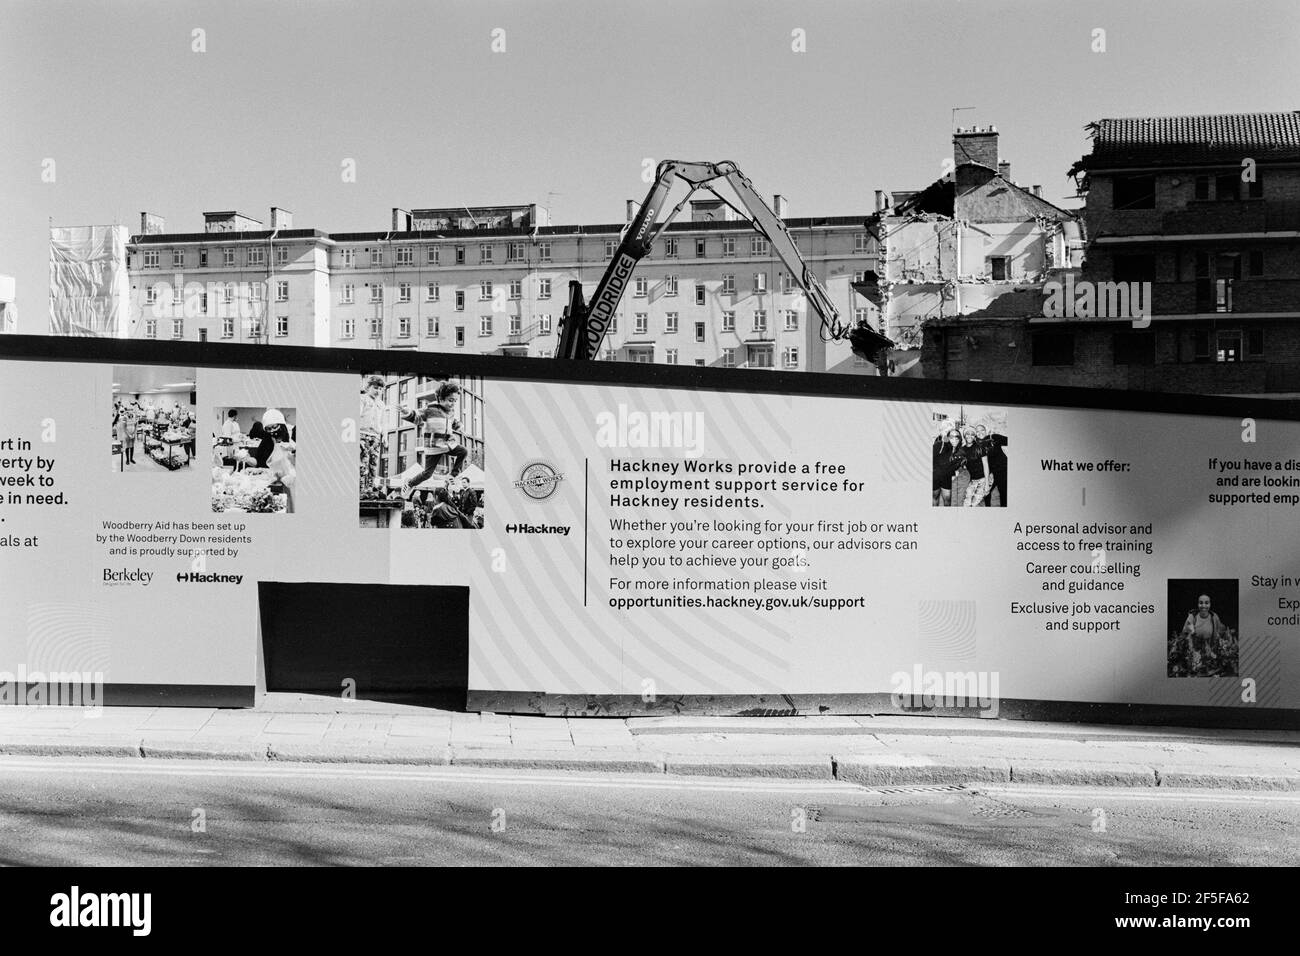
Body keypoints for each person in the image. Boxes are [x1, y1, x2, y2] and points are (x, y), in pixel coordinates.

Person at [398, 382, 467, 499]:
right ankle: (410, 483)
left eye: (455, 401)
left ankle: (452, 475)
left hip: (447, 443)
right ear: (440, 398)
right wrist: (407, 412)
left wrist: (460, 427)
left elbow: (453, 422)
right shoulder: (430, 409)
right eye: (450, 400)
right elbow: (418, 417)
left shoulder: (450, 412)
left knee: (463, 451)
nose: (453, 404)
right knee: (427, 474)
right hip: (434, 446)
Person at [259, 408, 297, 513]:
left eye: (274, 427)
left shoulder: (291, 445)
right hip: (275, 485)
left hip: (290, 484)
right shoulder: (266, 443)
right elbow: (260, 461)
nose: (272, 431)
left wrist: (293, 474)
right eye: (268, 429)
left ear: (282, 426)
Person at [1181, 594, 1227, 669]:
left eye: (1206, 603)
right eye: (1201, 603)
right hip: (1195, 653)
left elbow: (1221, 630)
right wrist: (1191, 631)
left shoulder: (1214, 616)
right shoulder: (1192, 616)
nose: (1203, 606)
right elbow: (1184, 634)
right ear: (1198, 604)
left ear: (1210, 604)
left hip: (1211, 651)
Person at [358, 375, 387, 496]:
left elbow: (384, 422)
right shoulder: (362, 399)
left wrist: (385, 436)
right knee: (362, 464)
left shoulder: (381, 404)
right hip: (363, 434)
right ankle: (360, 490)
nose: (378, 391)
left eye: (380, 389)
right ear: (368, 387)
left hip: (375, 436)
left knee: (373, 465)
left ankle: (369, 489)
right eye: (375, 388)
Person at [932, 425, 964, 507]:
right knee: (935, 498)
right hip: (935, 477)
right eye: (951, 436)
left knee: (947, 500)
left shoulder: (959, 452)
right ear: (948, 437)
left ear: (960, 438)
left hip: (946, 478)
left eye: (957, 436)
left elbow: (957, 465)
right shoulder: (940, 446)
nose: (954, 438)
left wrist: (956, 471)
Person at [961, 425, 991, 507]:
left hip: (984, 478)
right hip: (973, 480)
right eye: (967, 434)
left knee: (974, 503)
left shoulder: (979, 447)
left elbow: (986, 465)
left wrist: (987, 484)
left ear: (974, 437)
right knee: (966, 503)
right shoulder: (962, 450)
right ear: (964, 436)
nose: (969, 436)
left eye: (972, 434)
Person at [979, 424, 1008, 507]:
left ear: (986, 431)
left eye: (982, 430)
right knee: (986, 492)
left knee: (1003, 493)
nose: (980, 432)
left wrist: (998, 440)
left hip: (1002, 470)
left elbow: (1010, 441)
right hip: (990, 472)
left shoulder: (994, 437)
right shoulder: (977, 444)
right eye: (978, 431)